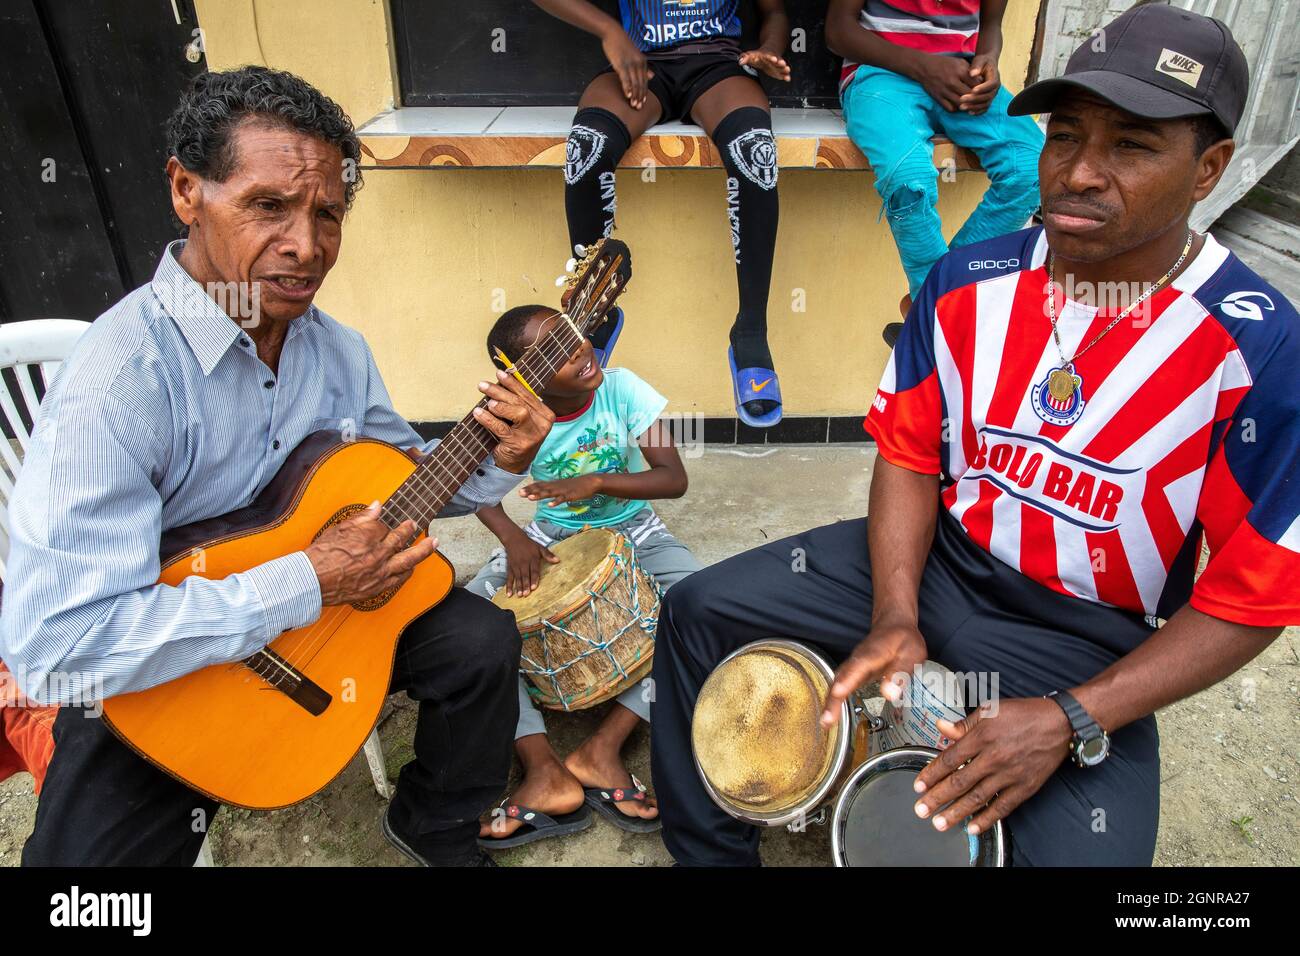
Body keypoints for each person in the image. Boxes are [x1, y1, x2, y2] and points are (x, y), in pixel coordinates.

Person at [650, 5, 1297, 866]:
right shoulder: (968, 281)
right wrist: (893, 614)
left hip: (1085, 635)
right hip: (943, 560)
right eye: (1064, 136)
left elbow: (1248, 600)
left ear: (1209, 168)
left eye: (1133, 146)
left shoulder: (1259, 347)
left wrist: (1071, 717)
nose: (1079, 173)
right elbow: (911, 455)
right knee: (699, 610)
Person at [0, 66, 556, 867]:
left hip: (322, 630)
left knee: (480, 644)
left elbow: (403, 483)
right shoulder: (116, 387)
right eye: (269, 206)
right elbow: (56, 648)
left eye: (327, 213)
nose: (307, 245)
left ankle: (433, 822)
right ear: (187, 190)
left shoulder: (335, 350)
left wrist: (503, 456)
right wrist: (309, 579)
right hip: (162, 680)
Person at [467, 305, 701, 848]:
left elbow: (673, 479)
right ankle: (541, 765)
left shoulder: (622, 389)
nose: (581, 352)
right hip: (552, 535)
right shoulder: (508, 413)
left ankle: (603, 749)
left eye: (575, 337)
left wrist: (597, 481)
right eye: (556, 352)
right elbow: (468, 489)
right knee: (475, 623)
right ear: (521, 375)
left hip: (635, 528)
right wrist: (513, 537)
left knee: (700, 611)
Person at [533, 0, 791, 427]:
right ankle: (593, 312)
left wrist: (769, 50)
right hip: (639, 67)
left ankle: (750, 330)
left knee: (753, 153)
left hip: (719, 69)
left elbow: (775, 10)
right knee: (587, 148)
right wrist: (609, 31)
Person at [826, 0, 1044, 344]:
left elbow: (990, 27)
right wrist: (925, 67)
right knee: (907, 179)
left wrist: (987, 61)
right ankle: (940, 317)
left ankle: (933, 303)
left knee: (1033, 168)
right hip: (880, 74)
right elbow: (838, 31)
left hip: (959, 76)